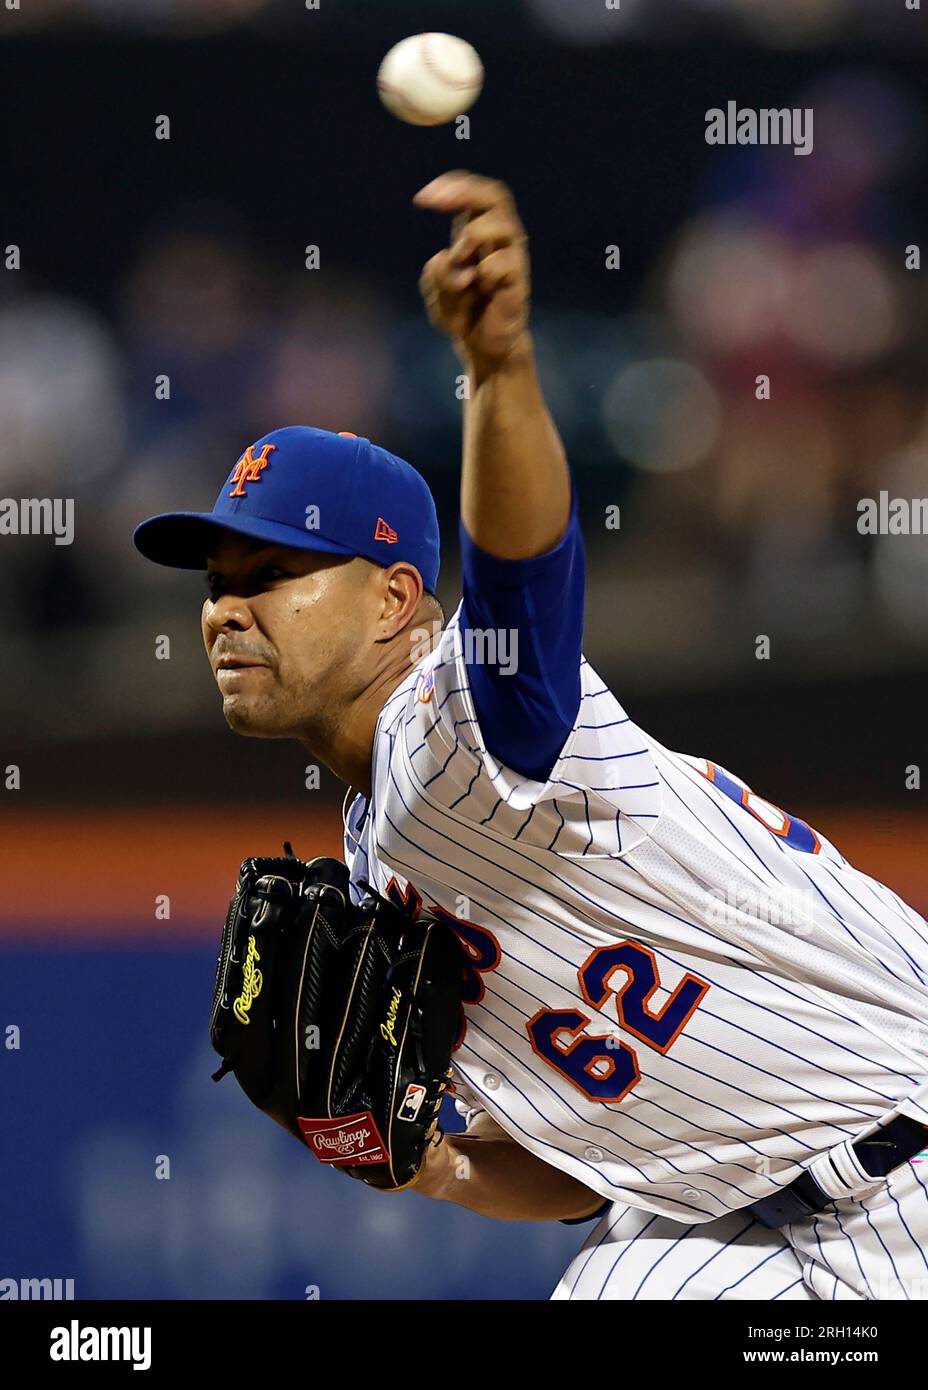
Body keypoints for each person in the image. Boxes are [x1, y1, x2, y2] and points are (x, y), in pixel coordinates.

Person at [135, 171, 928, 1301]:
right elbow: (578, 1171)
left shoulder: (461, 723)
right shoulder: (378, 845)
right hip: (725, 1217)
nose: (225, 608)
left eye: (272, 573)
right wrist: (431, 1162)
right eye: (216, 582)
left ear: (396, 599)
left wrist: (498, 370)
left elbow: (523, 577)